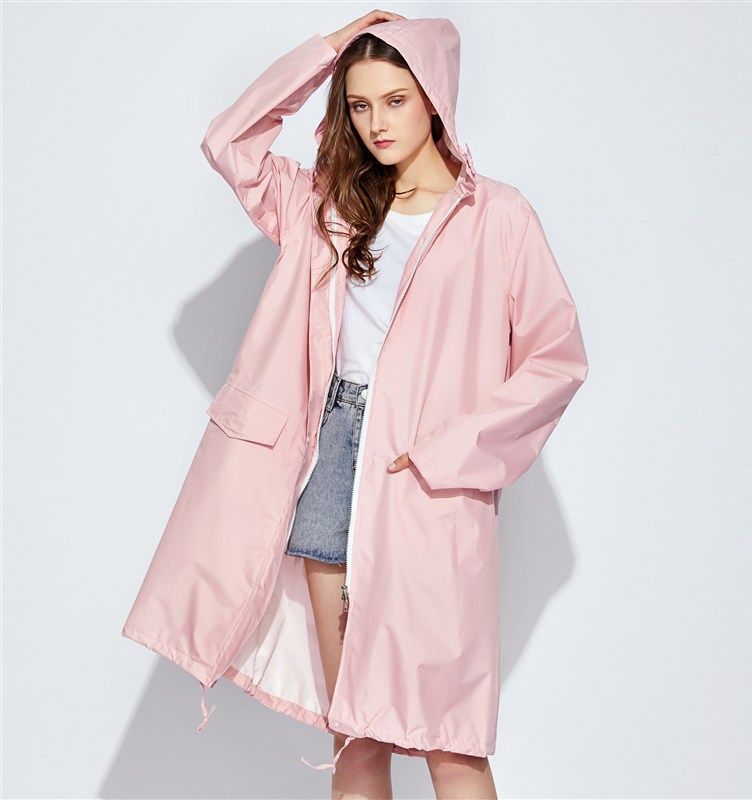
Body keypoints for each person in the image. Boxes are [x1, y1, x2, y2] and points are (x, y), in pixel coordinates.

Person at [123, 10, 588, 800]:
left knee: (450, 741)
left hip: (426, 478)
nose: (377, 123)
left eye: (396, 100)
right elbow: (228, 142)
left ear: (434, 97)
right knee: (356, 740)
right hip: (331, 462)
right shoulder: (324, 204)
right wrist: (328, 50)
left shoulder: (499, 218)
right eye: (361, 104)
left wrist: (454, 447)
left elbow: (556, 359)